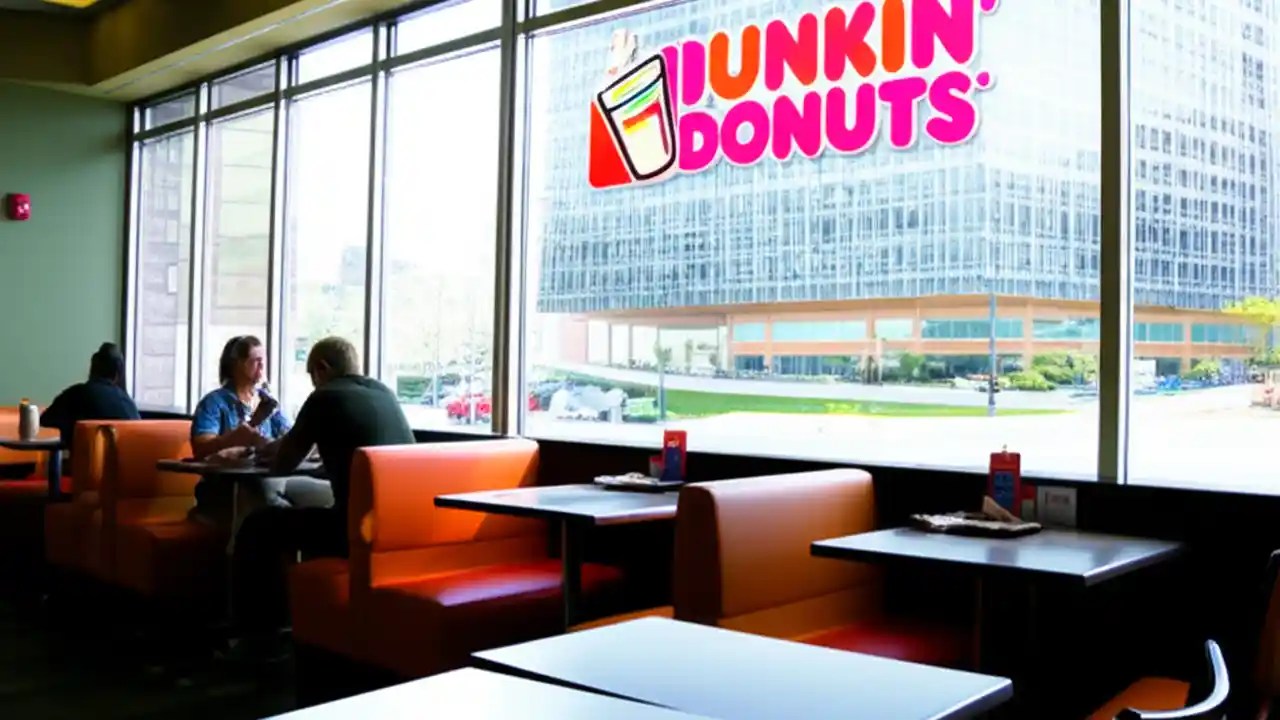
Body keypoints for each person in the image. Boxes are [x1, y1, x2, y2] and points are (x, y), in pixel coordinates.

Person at [227, 336, 414, 662]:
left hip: (355, 532)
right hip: (404, 529)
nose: (313, 382)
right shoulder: (383, 393)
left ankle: (258, 637)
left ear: (323, 369)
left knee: (259, 525)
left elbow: (283, 463)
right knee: (301, 515)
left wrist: (258, 451)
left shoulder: (325, 397)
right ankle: (301, 622)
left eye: (312, 374)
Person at [189, 335, 332, 533]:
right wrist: (247, 429)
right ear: (237, 364)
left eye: (264, 361)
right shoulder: (214, 403)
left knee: (324, 495)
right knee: (267, 501)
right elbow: (202, 448)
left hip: (272, 477)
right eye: (256, 361)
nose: (262, 366)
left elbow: (292, 437)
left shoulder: (267, 403)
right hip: (227, 486)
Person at [40, 343, 140, 457]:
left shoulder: (75, 394)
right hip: (130, 471)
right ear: (118, 373)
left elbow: (44, 421)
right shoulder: (128, 403)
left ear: (92, 368)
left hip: (85, 470)